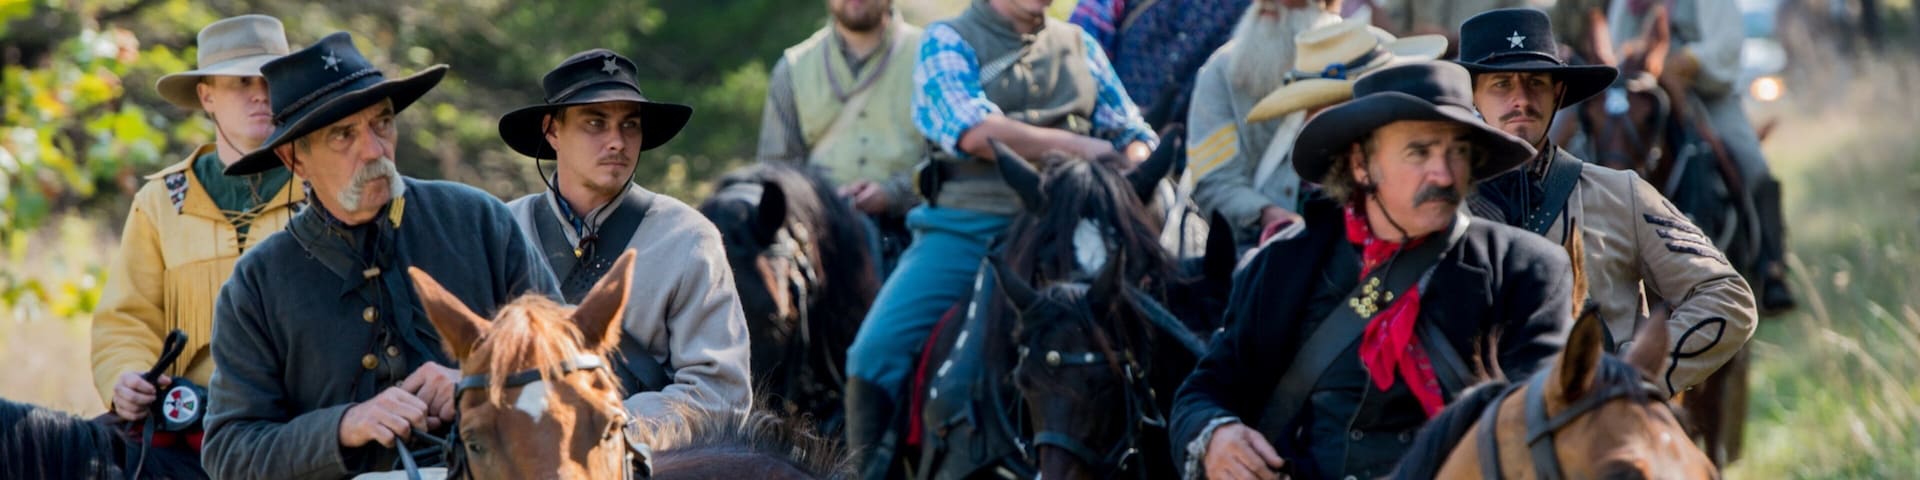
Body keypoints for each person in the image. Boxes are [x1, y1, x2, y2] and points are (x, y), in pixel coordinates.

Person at [1168, 61, 1574, 480]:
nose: (1444, 173)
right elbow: (1204, 392)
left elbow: (1541, 433)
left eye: (1458, 151)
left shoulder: (1525, 272)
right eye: (1419, 152)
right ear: (1361, 164)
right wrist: (1216, 436)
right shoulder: (1282, 268)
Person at [201, 32, 560, 479]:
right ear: (295, 159)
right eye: (343, 135)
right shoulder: (257, 283)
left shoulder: (477, 220)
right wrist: (342, 426)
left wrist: (478, 387)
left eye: (382, 123)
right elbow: (229, 453)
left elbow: (570, 362)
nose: (373, 149)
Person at [841, 0, 1158, 477]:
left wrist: (1132, 156)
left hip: (1072, 230)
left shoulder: (1079, 45)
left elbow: (1134, 131)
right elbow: (973, 131)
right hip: (970, 227)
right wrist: (1084, 147)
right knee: (874, 353)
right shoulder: (949, 39)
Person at [1459, 8, 1756, 394]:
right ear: (1472, 97)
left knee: (1753, 171)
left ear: (1558, 94)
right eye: (1501, 84)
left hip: (1599, 439)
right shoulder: (1440, 209)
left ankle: (1771, 260)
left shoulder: (1623, 194)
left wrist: (1628, 374)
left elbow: (1727, 298)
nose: (1521, 99)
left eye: (1536, 82)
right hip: (1477, 441)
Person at [497, 49, 753, 421]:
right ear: (552, 131)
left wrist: (603, 424)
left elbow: (720, 393)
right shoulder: (503, 230)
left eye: (629, 124)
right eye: (595, 123)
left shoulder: (689, 238)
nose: (617, 141)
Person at [91, 16, 302, 450]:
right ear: (206, 96)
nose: (260, 92)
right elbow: (128, 317)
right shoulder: (162, 201)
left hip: (303, 428)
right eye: (241, 81)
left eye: (269, 78)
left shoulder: (325, 190)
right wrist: (125, 377)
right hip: (192, 431)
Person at [1603, 0, 1794, 313]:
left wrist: (1688, 59)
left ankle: (1770, 266)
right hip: (1645, 95)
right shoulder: (1626, 4)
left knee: (1752, 164)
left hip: (1708, 94)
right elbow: (1616, 50)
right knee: (1599, 150)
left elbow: (1727, 45)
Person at [1191, 17, 1441, 247]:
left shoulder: (1416, 167)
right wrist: (1272, 218)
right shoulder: (1223, 70)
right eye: (1317, 109)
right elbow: (1215, 183)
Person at [758, 0, 925, 272]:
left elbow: (952, 158)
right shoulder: (793, 66)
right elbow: (778, 168)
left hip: (914, 231)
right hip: (819, 240)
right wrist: (824, 201)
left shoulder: (932, 56)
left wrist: (893, 194)